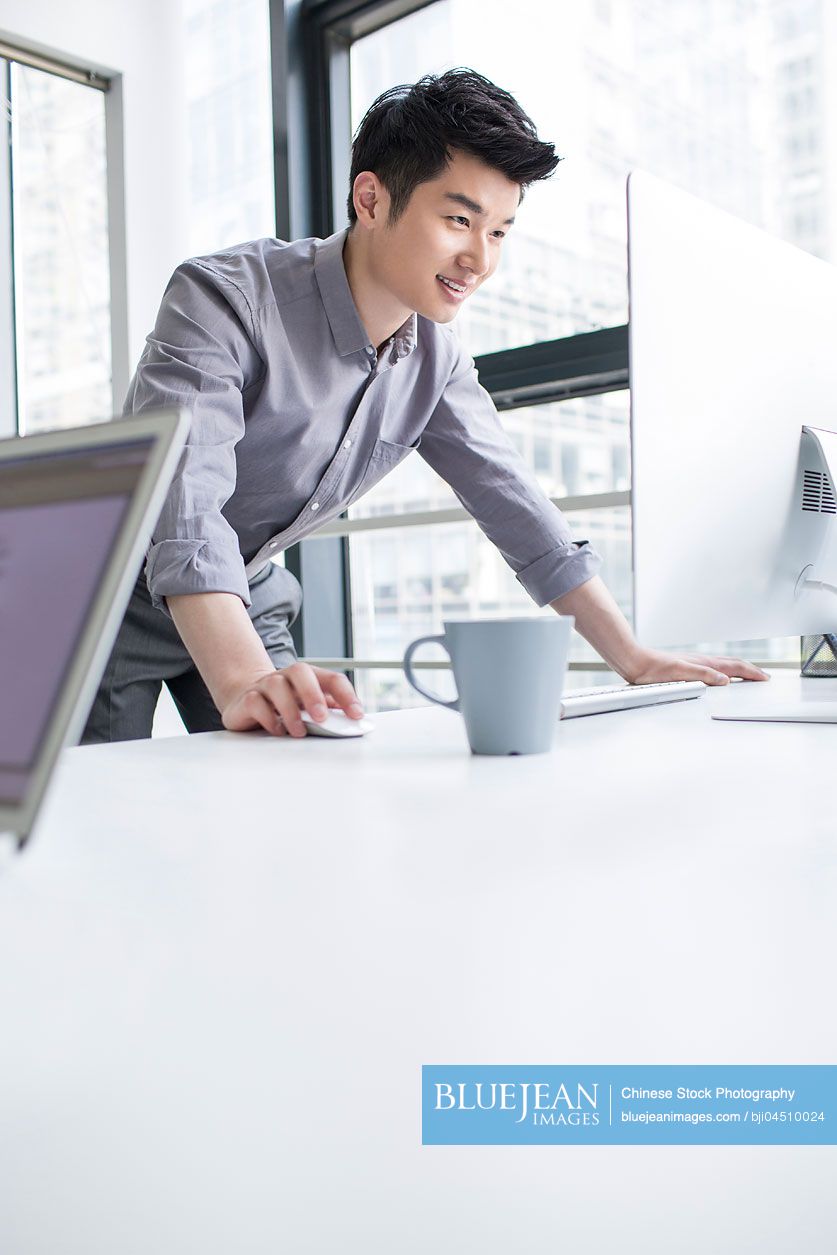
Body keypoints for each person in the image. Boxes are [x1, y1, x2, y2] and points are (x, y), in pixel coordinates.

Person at [82, 68, 767, 745]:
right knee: (100, 806)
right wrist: (238, 682)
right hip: (111, 599)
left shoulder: (435, 360)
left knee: (286, 782)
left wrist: (635, 659)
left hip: (250, 590)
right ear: (371, 200)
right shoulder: (222, 298)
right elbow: (187, 506)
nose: (478, 259)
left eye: (499, 231)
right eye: (458, 219)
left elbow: (519, 509)